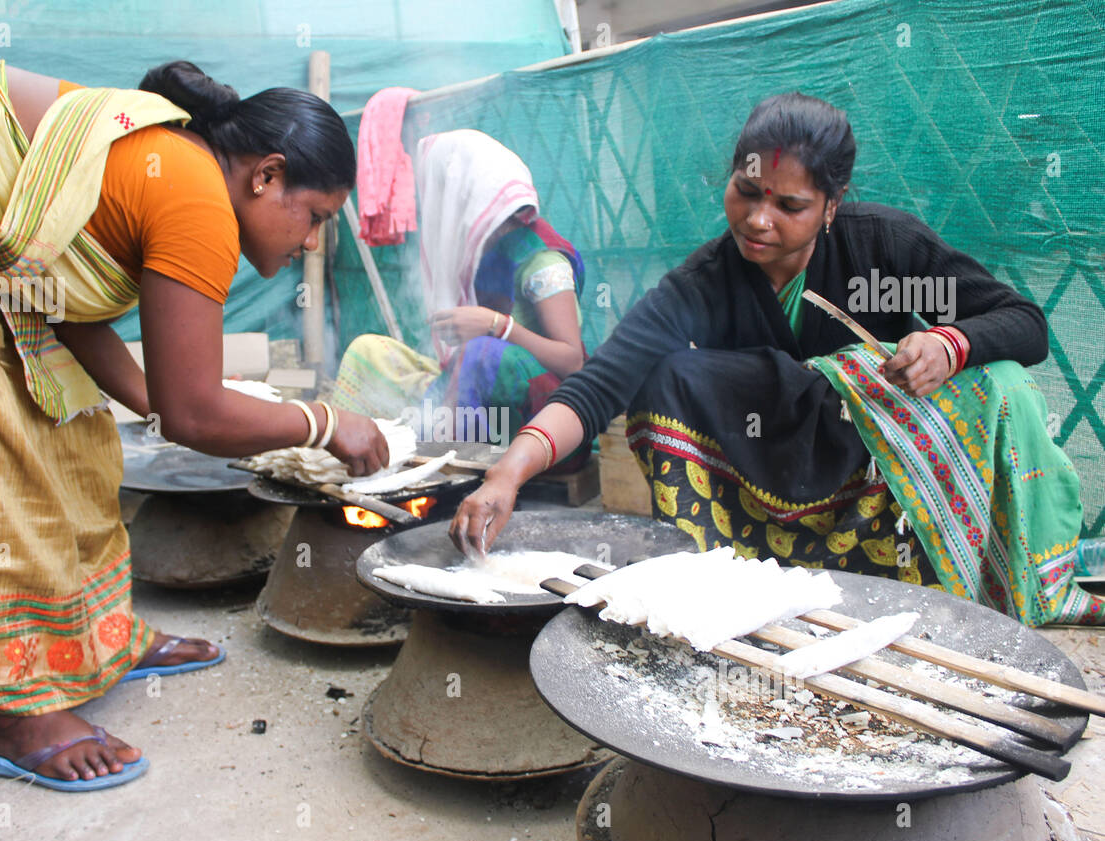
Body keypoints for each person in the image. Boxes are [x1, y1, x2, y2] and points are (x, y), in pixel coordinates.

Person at [0, 43, 391, 790]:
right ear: (266, 174)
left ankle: (98, 632)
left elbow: (55, 307)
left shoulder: (168, 164)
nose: (311, 240)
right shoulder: (196, 195)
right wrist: (324, 422)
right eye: (315, 216)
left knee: (76, 435)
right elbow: (195, 414)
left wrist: (149, 399)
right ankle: (17, 710)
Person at [452, 92, 1100, 627]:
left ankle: (928, 576)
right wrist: (508, 472)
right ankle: (745, 585)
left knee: (1002, 382)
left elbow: (1025, 323)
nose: (759, 221)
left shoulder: (883, 248)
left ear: (830, 208)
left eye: (788, 206)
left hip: (885, 478)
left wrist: (947, 344)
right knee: (665, 377)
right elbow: (602, 383)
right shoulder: (708, 278)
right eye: (746, 191)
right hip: (768, 477)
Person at [332, 129, 588, 468]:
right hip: (476, 389)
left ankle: (443, 453)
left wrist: (496, 326)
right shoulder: (480, 250)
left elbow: (572, 362)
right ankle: (356, 446)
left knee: (481, 352)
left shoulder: (541, 259)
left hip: (543, 414)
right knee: (369, 351)